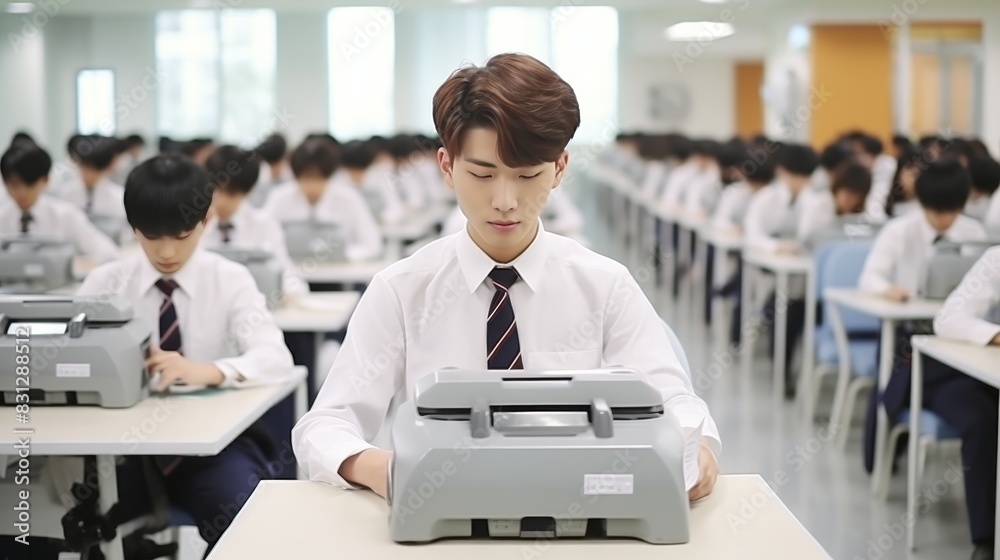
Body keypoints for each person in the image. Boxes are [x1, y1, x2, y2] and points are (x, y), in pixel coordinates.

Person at [292, 53, 720, 502]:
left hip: (575, 506)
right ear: (446, 166)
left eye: (527, 175)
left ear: (559, 169)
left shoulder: (604, 286)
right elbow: (325, 424)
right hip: (440, 506)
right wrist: (386, 468)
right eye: (482, 173)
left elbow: (676, 400)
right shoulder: (402, 290)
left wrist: (698, 450)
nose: (504, 200)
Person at [76, 154, 295, 555]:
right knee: (65, 516)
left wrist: (206, 371)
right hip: (119, 452)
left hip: (210, 449)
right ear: (133, 227)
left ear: (205, 221)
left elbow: (275, 358)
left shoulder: (228, 279)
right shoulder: (105, 283)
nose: (165, 252)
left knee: (247, 517)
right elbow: (66, 360)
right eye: (150, 235)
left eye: (181, 236)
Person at [932, 246, 1000, 560]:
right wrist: (995, 335)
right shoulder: (995, 259)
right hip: (975, 376)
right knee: (983, 421)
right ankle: (986, 539)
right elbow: (947, 319)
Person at [263, 137, 384, 262]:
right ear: (296, 175)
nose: (312, 186)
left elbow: (372, 243)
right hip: (293, 269)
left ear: (329, 175)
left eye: (319, 178)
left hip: (339, 273)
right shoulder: (279, 197)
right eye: (306, 178)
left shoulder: (349, 199)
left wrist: (345, 255)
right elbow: (263, 238)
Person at [0, 143, 118, 264]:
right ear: (4, 182)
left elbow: (108, 251)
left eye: (31, 184)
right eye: (14, 184)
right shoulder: (2, 217)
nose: (22, 191)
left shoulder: (66, 215)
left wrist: (72, 266)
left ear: (45, 180)